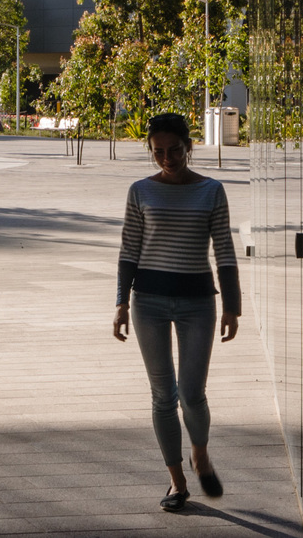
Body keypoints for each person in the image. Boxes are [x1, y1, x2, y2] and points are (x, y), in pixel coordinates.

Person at [112, 111, 238, 513]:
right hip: (148, 300)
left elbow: (224, 252)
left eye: (175, 149)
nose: (168, 157)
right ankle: (177, 481)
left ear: (189, 146)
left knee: (192, 393)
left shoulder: (212, 191)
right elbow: (129, 251)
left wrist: (233, 307)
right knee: (162, 396)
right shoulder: (140, 192)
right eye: (159, 152)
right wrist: (121, 303)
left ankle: (199, 453)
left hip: (198, 301)